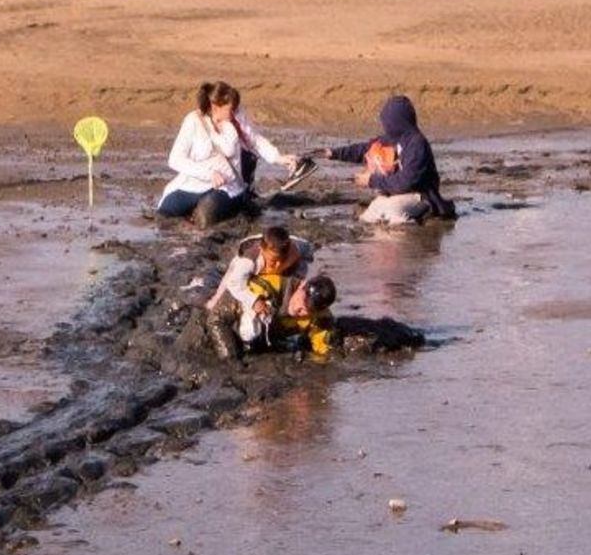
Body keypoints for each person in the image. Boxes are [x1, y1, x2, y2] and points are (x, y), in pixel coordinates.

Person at [157, 81, 297, 228]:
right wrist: (209, 174)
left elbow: (255, 140)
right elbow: (175, 159)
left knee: (207, 214)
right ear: (215, 107)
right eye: (230, 109)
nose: (234, 113)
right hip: (194, 184)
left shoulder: (237, 116)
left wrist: (278, 158)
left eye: (235, 108)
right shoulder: (193, 120)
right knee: (165, 212)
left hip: (228, 186)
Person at [321, 95, 456, 225]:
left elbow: (406, 182)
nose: (385, 126)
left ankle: (417, 223)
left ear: (396, 121)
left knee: (393, 210)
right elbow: (363, 150)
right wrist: (333, 153)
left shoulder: (417, 144)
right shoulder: (390, 139)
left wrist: (371, 180)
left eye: (387, 122)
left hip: (420, 196)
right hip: (394, 194)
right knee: (369, 216)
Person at [206, 226, 315, 359]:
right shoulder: (248, 261)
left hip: (284, 269)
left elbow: (309, 254)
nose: (277, 265)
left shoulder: (297, 250)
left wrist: (297, 285)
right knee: (218, 299)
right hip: (243, 273)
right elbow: (234, 283)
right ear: (262, 250)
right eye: (273, 261)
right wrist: (253, 300)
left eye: (282, 260)